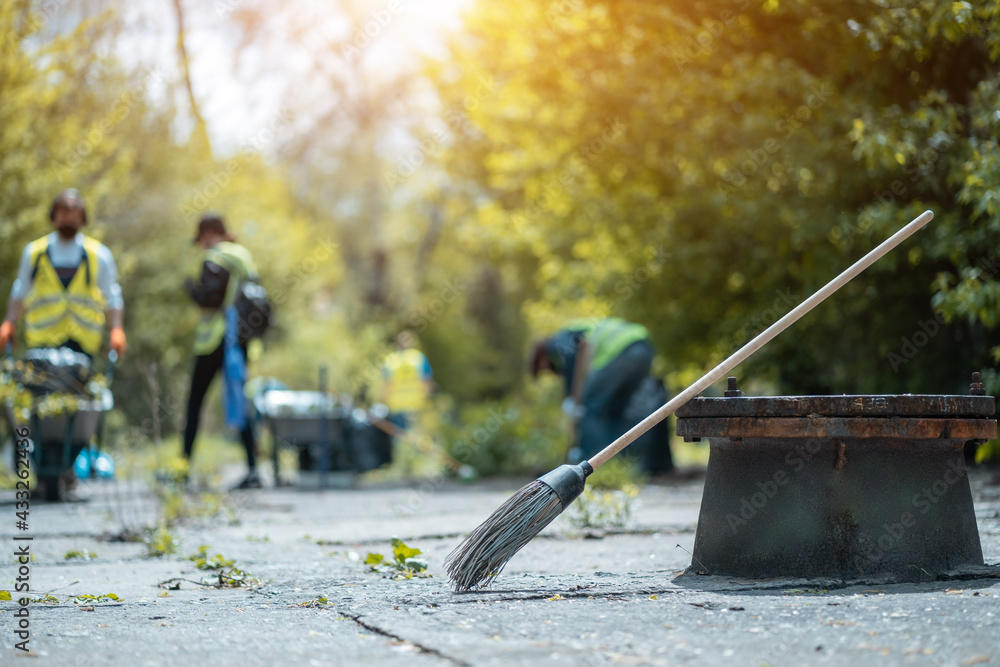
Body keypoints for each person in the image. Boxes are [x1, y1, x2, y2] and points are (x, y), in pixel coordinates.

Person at [182, 213, 261, 489]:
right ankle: (253, 470)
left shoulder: (214, 257)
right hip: (239, 340)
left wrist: (192, 290)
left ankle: (183, 469)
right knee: (240, 400)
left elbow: (209, 299)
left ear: (206, 234)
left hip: (214, 338)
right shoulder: (243, 255)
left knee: (195, 402)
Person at [0, 189, 126, 360]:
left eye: (74, 215)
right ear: (54, 215)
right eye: (64, 214)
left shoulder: (99, 255)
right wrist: (10, 322)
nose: (69, 220)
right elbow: (20, 291)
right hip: (41, 345)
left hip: (83, 346)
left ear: (82, 218)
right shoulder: (35, 253)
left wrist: (116, 329)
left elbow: (112, 296)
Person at [530, 317, 656, 463]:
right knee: (615, 412)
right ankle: (616, 465)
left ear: (541, 356)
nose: (547, 369)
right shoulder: (576, 331)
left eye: (542, 366)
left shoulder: (556, 342)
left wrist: (572, 398)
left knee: (589, 409)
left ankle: (591, 463)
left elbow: (571, 358)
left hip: (621, 350)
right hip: (644, 348)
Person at [380, 331, 433, 430]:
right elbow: (427, 383)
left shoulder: (390, 361)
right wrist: (428, 400)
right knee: (417, 439)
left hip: (396, 407)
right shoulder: (419, 358)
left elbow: (386, 387)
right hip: (417, 406)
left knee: (400, 439)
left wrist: (385, 403)